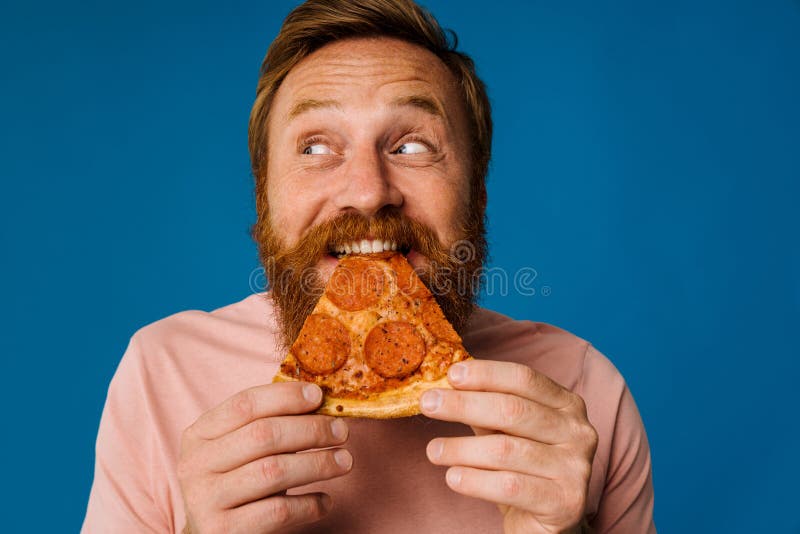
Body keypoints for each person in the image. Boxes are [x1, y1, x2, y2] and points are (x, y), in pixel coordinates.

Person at [82, 0, 656, 532]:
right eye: (314, 147)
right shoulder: (163, 373)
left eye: (411, 146)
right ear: (264, 197)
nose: (367, 191)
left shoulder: (585, 393)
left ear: (477, 194)